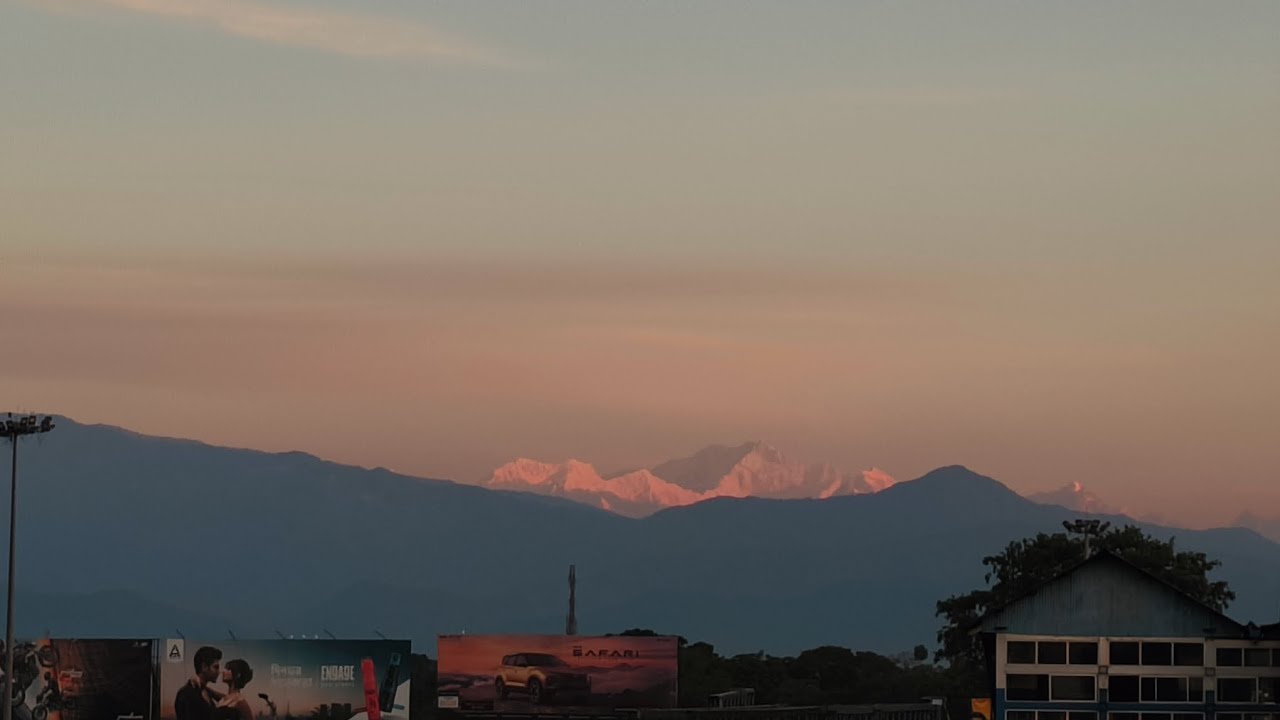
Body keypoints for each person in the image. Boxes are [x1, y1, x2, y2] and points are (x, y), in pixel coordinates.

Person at [175, 646, 222, 720]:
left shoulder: (206, 692)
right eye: (215, 667)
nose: (218, 672)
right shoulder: (186, 693)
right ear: (204, 667)